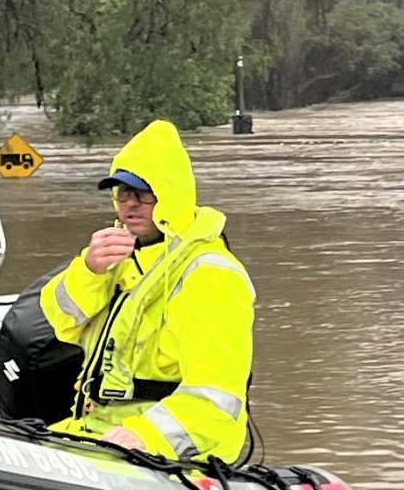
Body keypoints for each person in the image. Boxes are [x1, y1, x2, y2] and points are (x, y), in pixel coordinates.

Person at [39, 119, 255, 463]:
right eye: (122, 192)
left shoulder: (211, 274)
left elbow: (216, 397)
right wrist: (89, 270)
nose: (131, 204)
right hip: (95, 427)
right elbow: (61, 321)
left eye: (143, 192)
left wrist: (146, 435)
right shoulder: (120, 255)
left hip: (170, 453)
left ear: (171, 194)